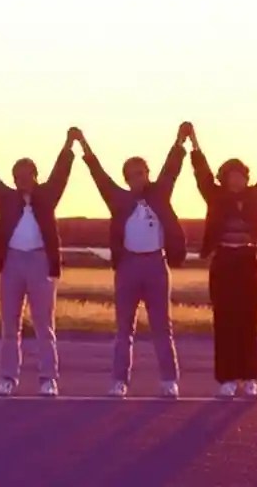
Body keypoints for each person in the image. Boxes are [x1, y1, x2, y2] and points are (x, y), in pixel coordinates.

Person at [77, 125, 188, 399]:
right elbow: (99, 176)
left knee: (162, 326)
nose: (140, 178)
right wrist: (83, 145)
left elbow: (172, 168)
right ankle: (119, 380)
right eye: (134, 175)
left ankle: (169, 380)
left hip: (156, 266)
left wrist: (180, 140)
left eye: (143, 173)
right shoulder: (118, 199)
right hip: (128, 266)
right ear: (126, 179)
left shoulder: (160, 194)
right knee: (124, 327)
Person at [0, 127, 74, 398]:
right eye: (18, 178)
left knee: (44, 324)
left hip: (40, 261)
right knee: (10, 324)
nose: (22, 181)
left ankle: (48, 378)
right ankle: (7, 378)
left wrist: (69, 143)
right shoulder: (5, 199)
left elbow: (61, 172)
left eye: (27, 177)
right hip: (12, 263)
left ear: (35, 177)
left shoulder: (47, 196)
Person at [189, 125, 257, 398]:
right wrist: (194, 144)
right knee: (224, 321)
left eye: (241, 175)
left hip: (247, 262)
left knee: (248, 321)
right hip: (223, 262)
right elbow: (202, 174)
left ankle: (249, 378)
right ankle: (226, 379)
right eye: (231, 175)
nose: (237, 180)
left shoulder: (255, 196)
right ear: (224, 178)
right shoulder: (216, 197)